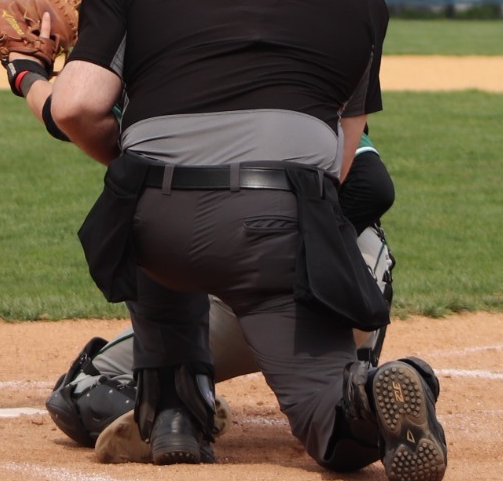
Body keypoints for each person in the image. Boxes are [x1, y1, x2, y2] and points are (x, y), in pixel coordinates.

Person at [2, 0, 447, 481]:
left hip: (158, 219)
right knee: (331, 423)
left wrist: (25, 75)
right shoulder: (359, 1)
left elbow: (74, 110)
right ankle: (361, 399)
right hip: (281, 230)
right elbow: (343, 169)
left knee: (142, 215)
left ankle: (174, 415)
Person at [47, 132, 397, 460]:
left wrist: (278, 260)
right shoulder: (306, 95)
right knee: (345, 408)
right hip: (358, 289)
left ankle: (180, 409)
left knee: (82, 392)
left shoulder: (175, 97)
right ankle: (367, 392)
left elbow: (76, 111)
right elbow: (370, 185)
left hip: (260, 287)